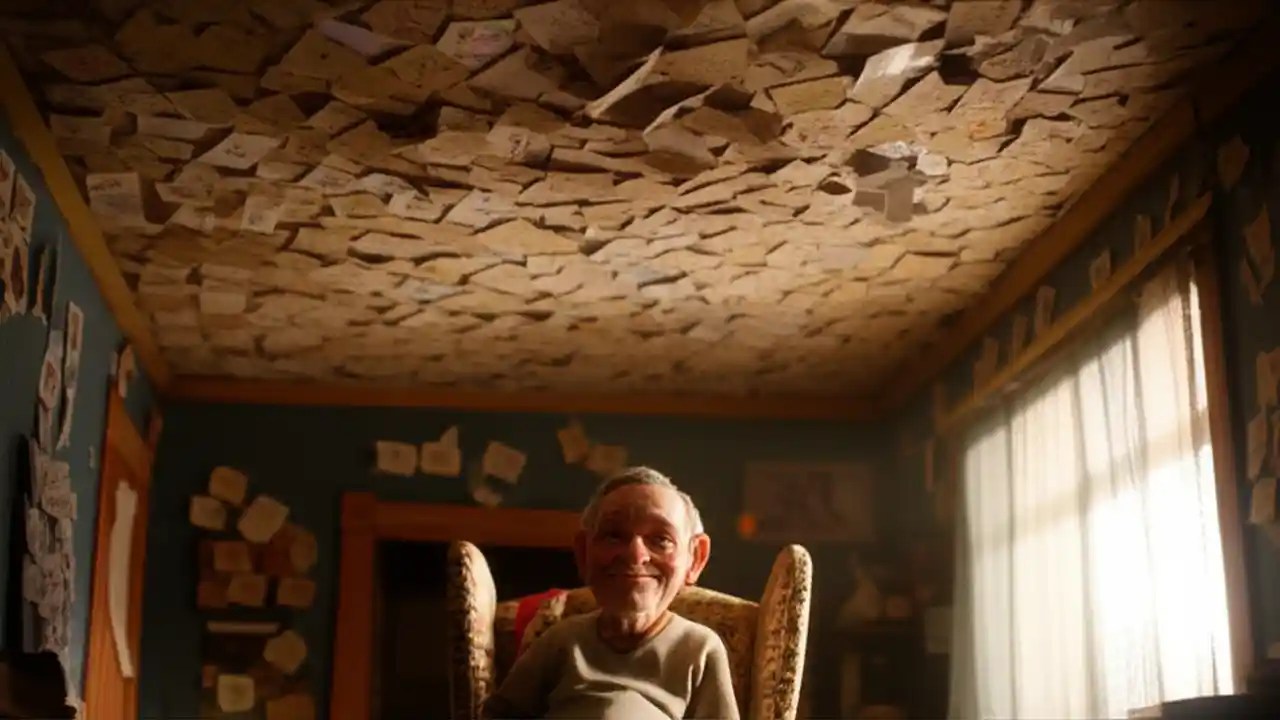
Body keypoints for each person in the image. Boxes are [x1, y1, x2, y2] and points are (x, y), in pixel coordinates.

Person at [484, 467, 740, 720]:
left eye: (661, 539)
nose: (635, 555)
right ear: (584, 554)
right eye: (613, 536)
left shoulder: (699, 649)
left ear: (694, 559)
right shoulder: (562, 640)